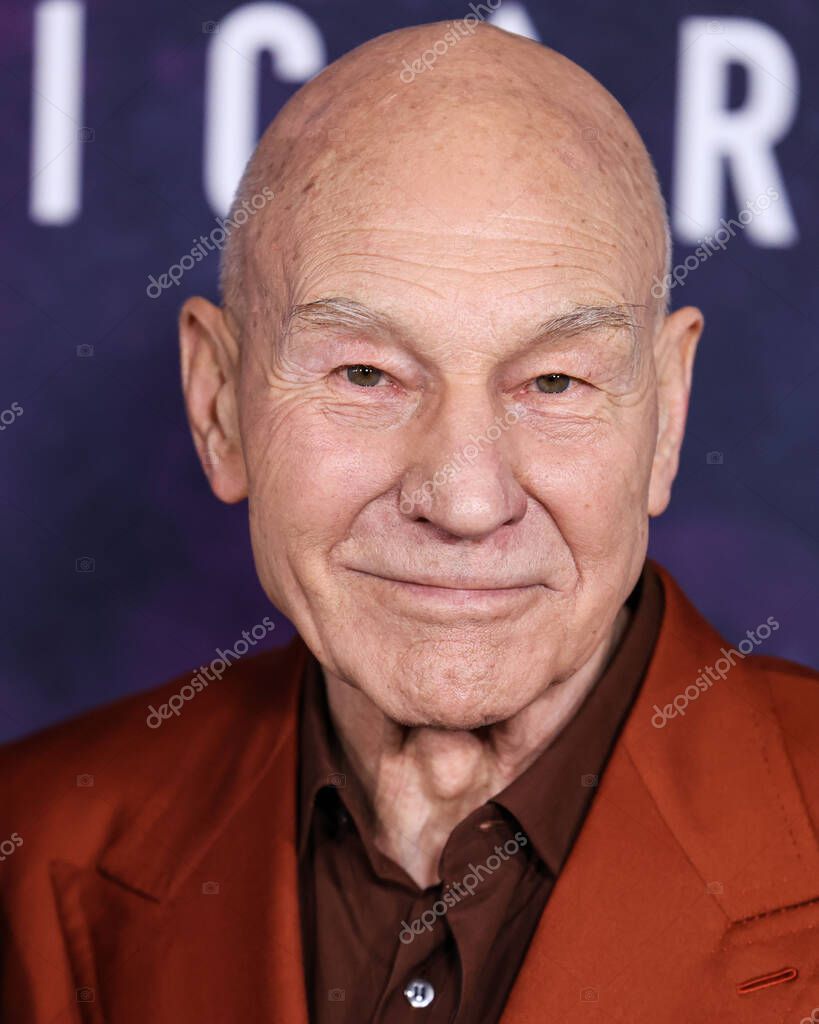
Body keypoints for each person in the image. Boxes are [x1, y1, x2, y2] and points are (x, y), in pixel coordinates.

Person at [2, 21, 817, 1023]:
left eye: (554, 380)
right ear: (218, 404)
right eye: (365, 374)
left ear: (667, 413)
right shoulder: (30, 850)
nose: (467, 501)